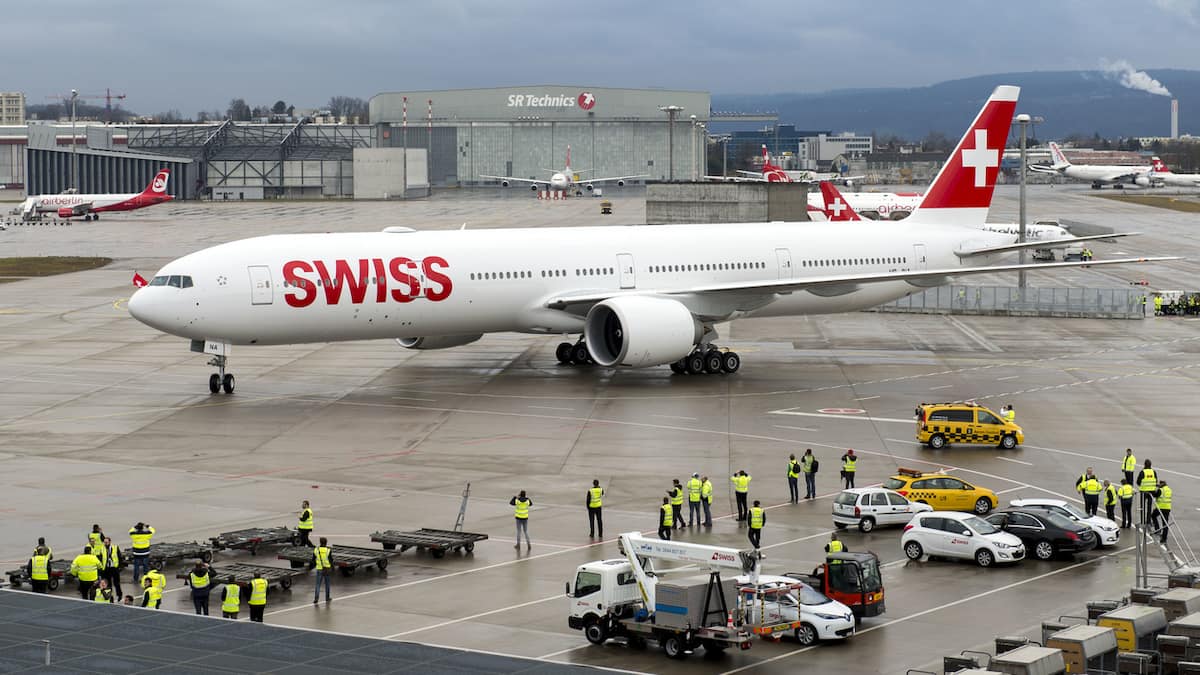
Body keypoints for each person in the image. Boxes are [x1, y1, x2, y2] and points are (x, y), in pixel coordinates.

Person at [313, 537, 333, 604]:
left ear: (320, 542)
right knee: (327, 584)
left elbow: (313, 559)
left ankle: (316, 598)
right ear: (326, 542)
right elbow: (331, 560)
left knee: (318, 584)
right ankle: (327, 597)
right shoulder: (328, 550)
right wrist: (331, 567)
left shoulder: (316, 549)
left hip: (319, 568)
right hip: (326, 569)